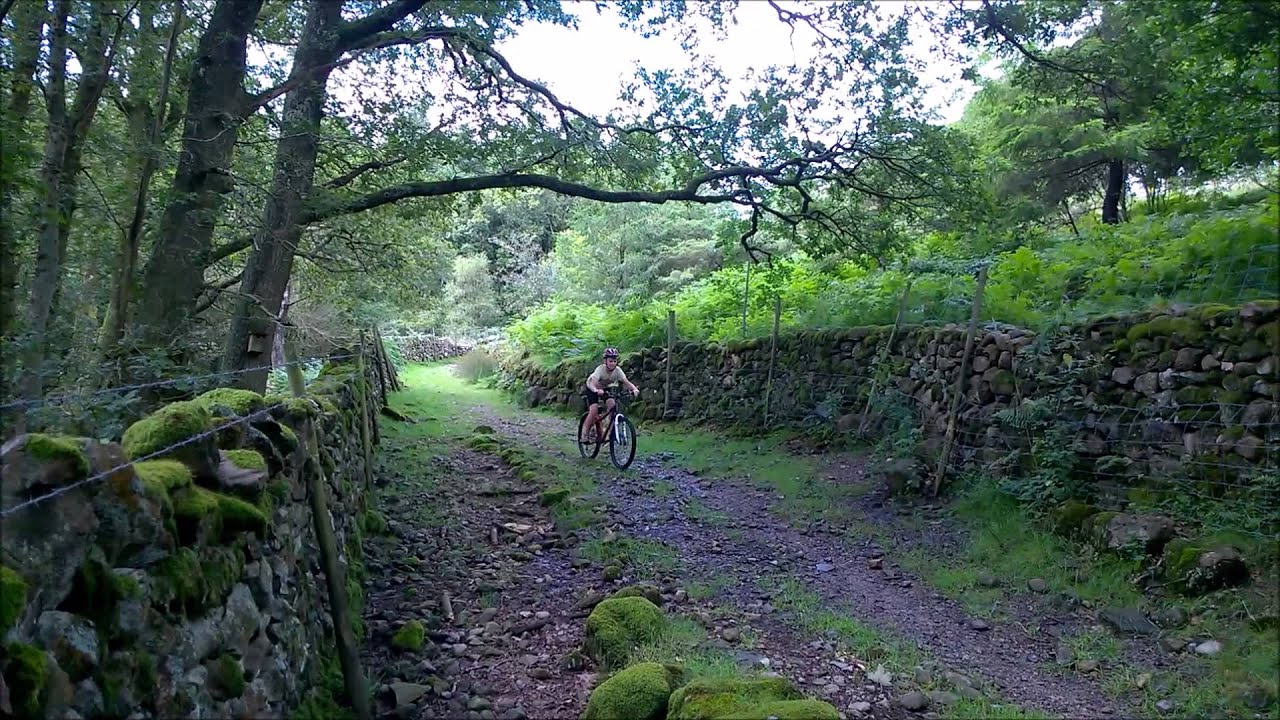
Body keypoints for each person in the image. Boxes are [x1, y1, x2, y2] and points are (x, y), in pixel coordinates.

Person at [582, 347, 640, 443]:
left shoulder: (617, 370)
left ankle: (608, 432)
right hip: (592, 388)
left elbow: (626, 382)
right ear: (605, 361)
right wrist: (596, 390)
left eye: (614, 361)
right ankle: (585, 433)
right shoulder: (600, 369)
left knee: (612, 406)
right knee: (594, 410)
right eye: (610, 361)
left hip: (605, 388)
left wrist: (634, 389)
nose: (612, 363)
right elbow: (592, 383)